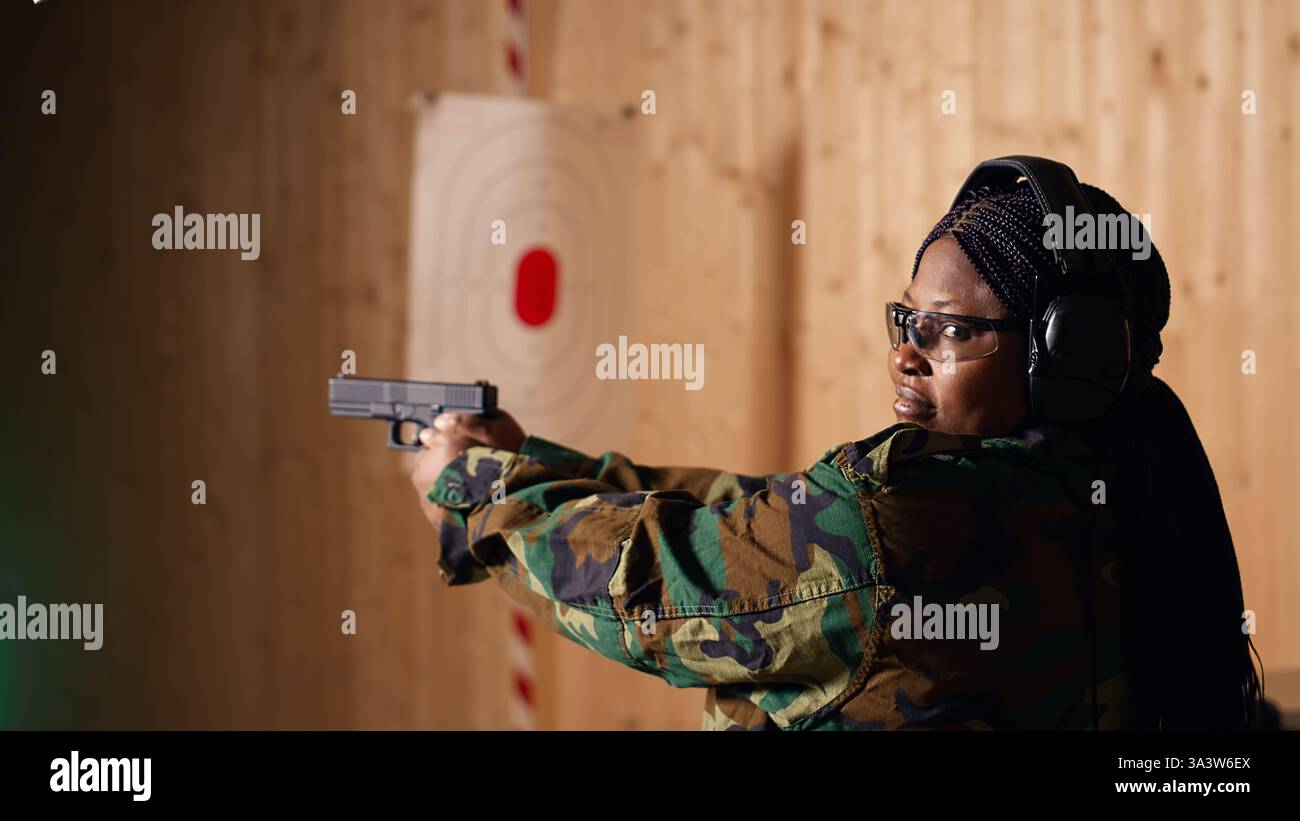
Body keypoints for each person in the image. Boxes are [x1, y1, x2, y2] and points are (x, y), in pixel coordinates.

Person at [410, 167, 1262, 731]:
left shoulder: (898, 518)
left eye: (949, 330)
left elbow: (649, 591)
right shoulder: (1129, 473)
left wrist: (474, 486)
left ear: (1059, 359)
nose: (905, 349)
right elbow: (762, 515)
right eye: (906, 318)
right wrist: (555, 466)